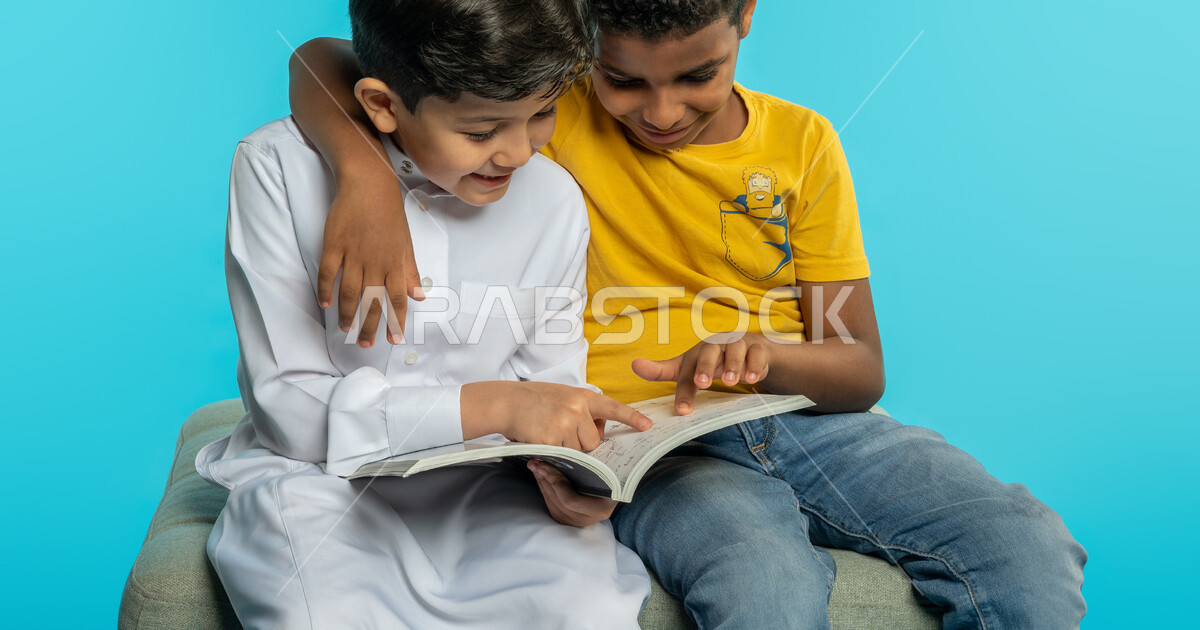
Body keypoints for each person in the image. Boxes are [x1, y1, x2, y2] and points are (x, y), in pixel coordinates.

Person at [287, 0, 1088, 627]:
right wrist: (365, 178)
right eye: (624, 79)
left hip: (808, 422)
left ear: (746, 15)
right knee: (762, 578)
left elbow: (859, 368)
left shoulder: (804, 143)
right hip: (646, 444)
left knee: (1025, 542)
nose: (661, 111)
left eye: (698, 75)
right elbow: (320, 59)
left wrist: (763, 356)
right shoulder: (540, 117)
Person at [195, 1, 657, 628]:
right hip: (315, 486)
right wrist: (491, 406)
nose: (519, 153)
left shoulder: (554, 201)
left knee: (588, 606)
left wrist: (572, 474)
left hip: (490, 488)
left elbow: (552, 385)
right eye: (481, 132)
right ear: (383, 105)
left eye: (543, 114)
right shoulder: (278, 167)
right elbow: (292, 415)